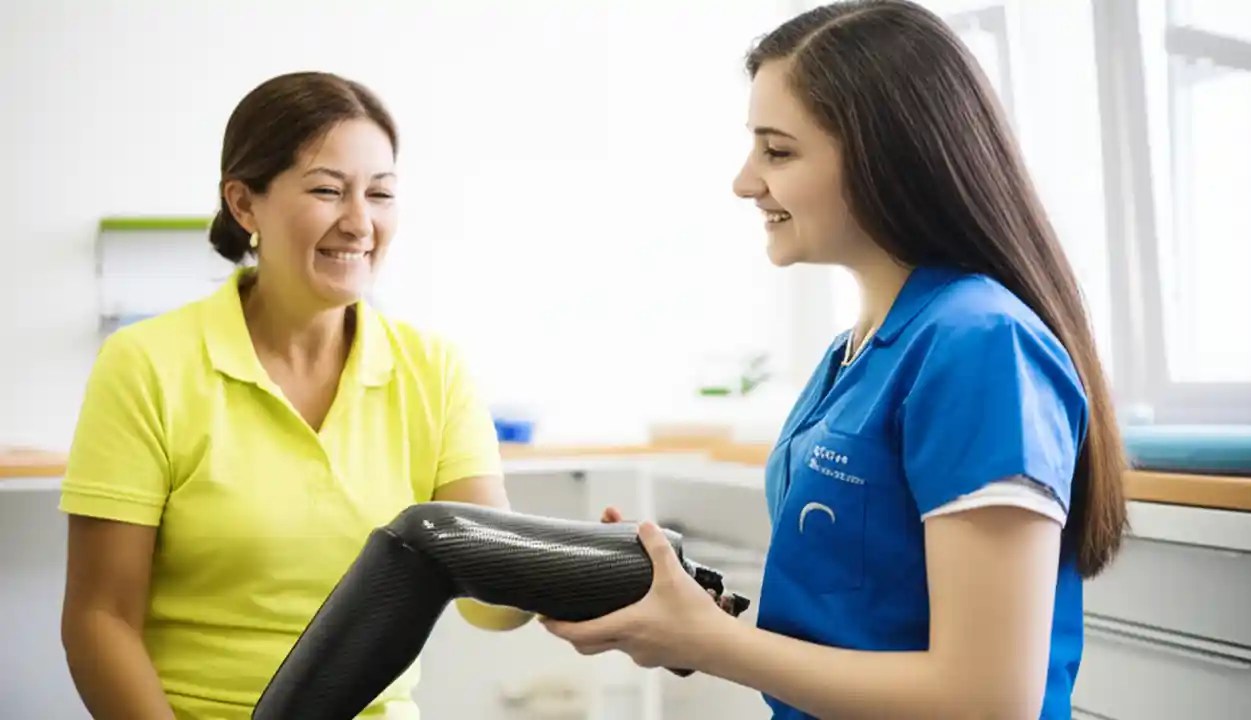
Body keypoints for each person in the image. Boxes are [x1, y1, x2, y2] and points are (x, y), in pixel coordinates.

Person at [542, 2, 1129, 718]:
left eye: (778, 151)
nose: (744, 181)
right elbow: (856, 628)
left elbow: (986, 700)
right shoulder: (855, 353)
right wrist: (685, 614)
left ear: (888, 158)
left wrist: (707, 643)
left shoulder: (979, 344)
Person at [58, 71, 531, 720]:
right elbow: (99, 618)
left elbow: (488, 600)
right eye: (327, 190)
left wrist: (574, 572)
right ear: (245, 205)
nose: (360, 222)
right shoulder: (146, 364)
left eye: (381, 193)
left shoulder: (434, 369)